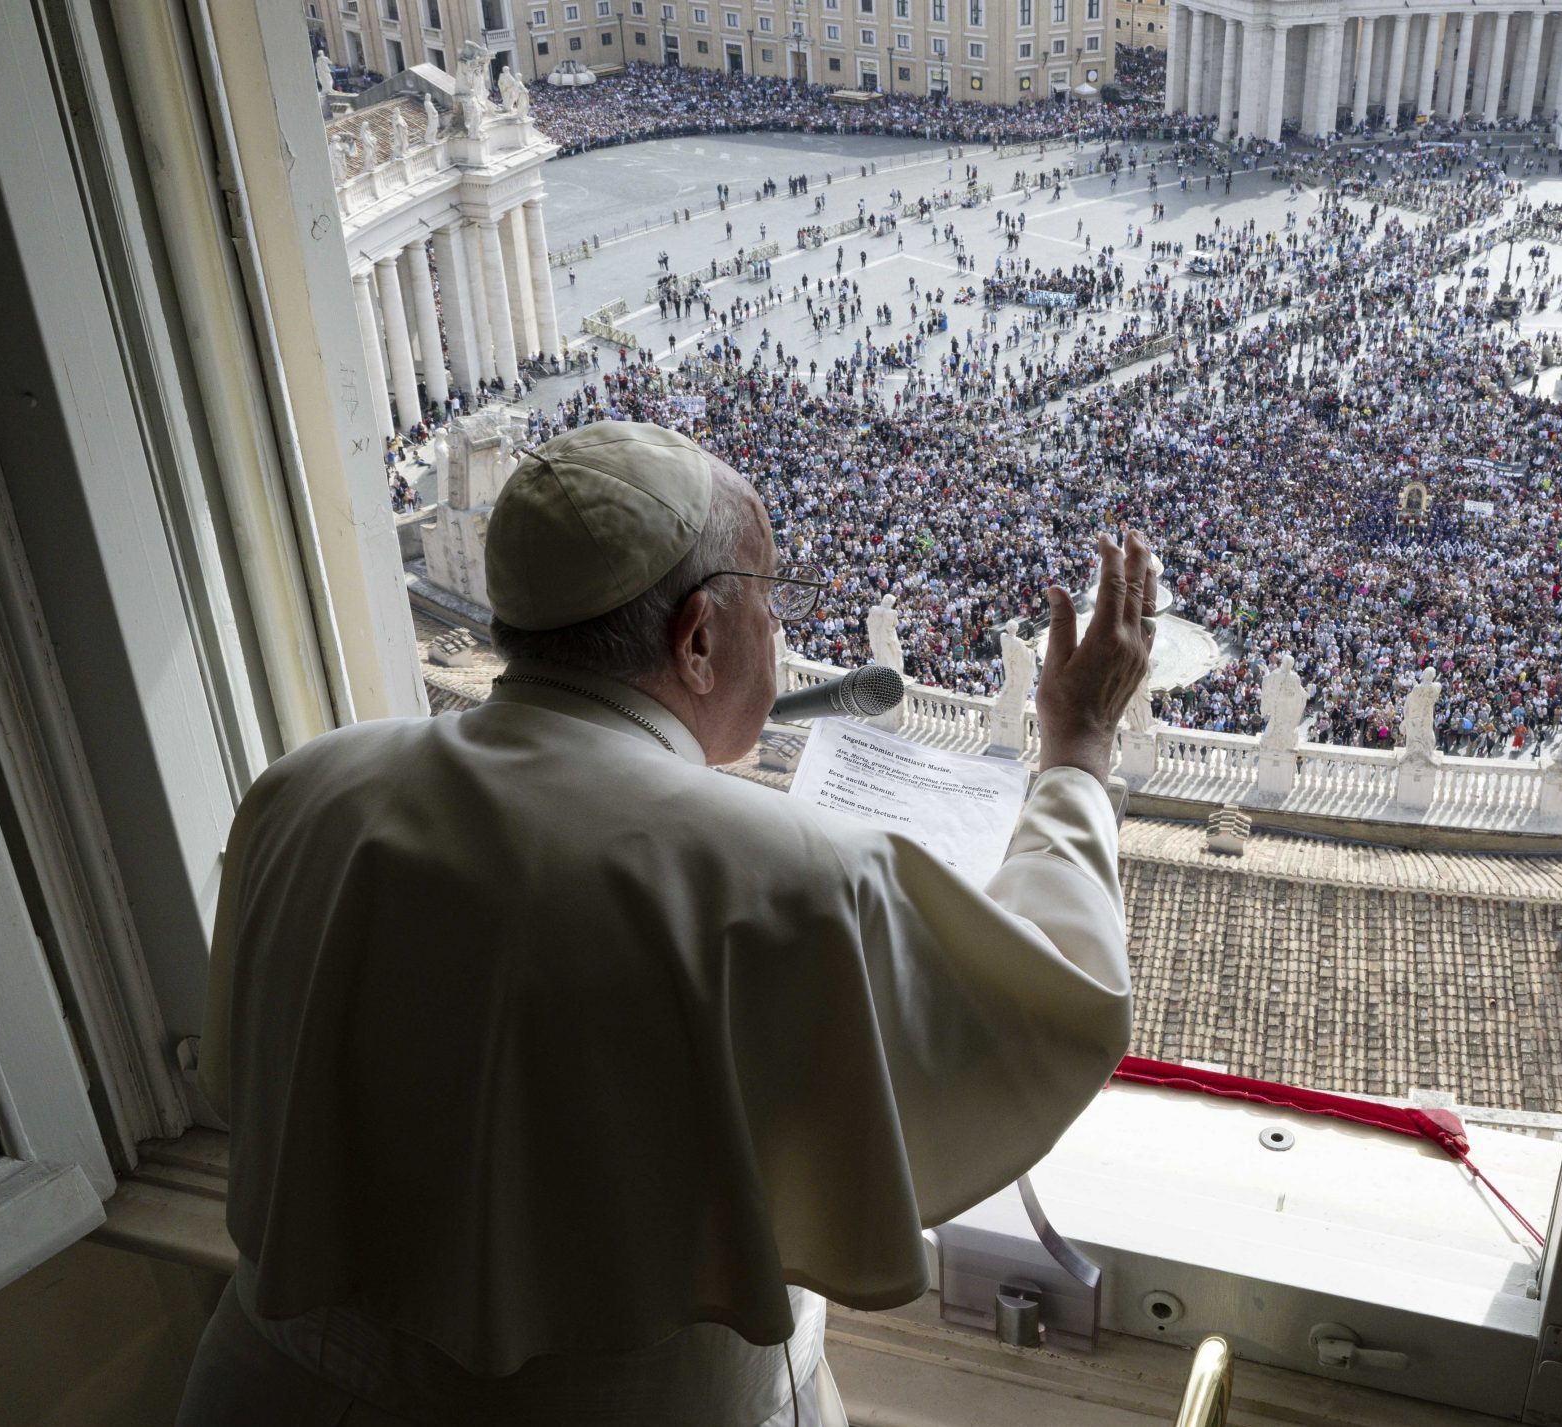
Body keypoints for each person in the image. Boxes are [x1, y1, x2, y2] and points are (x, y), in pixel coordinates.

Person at [179, 421, 1156, 1427]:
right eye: (775, 602)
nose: (781, 630)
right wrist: (1075, 749)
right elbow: (1053, 1001)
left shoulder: (304, 787)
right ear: (696, 639)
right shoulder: (793, 876)